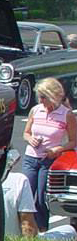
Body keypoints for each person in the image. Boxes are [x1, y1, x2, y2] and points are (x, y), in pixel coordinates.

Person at [22, 76, 77, 230]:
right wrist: (30, 139)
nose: (40, 100)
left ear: (53, 96)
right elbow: (25, 133)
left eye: (43, 97)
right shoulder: (35, 110)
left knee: (41, 198)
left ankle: (42, 230)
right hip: (30, 158)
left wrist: (57, 149)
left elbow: (73, 141)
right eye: (39, 96)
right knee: (25, 194)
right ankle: (23, 230)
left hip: (48, 160)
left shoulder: (66, 114)